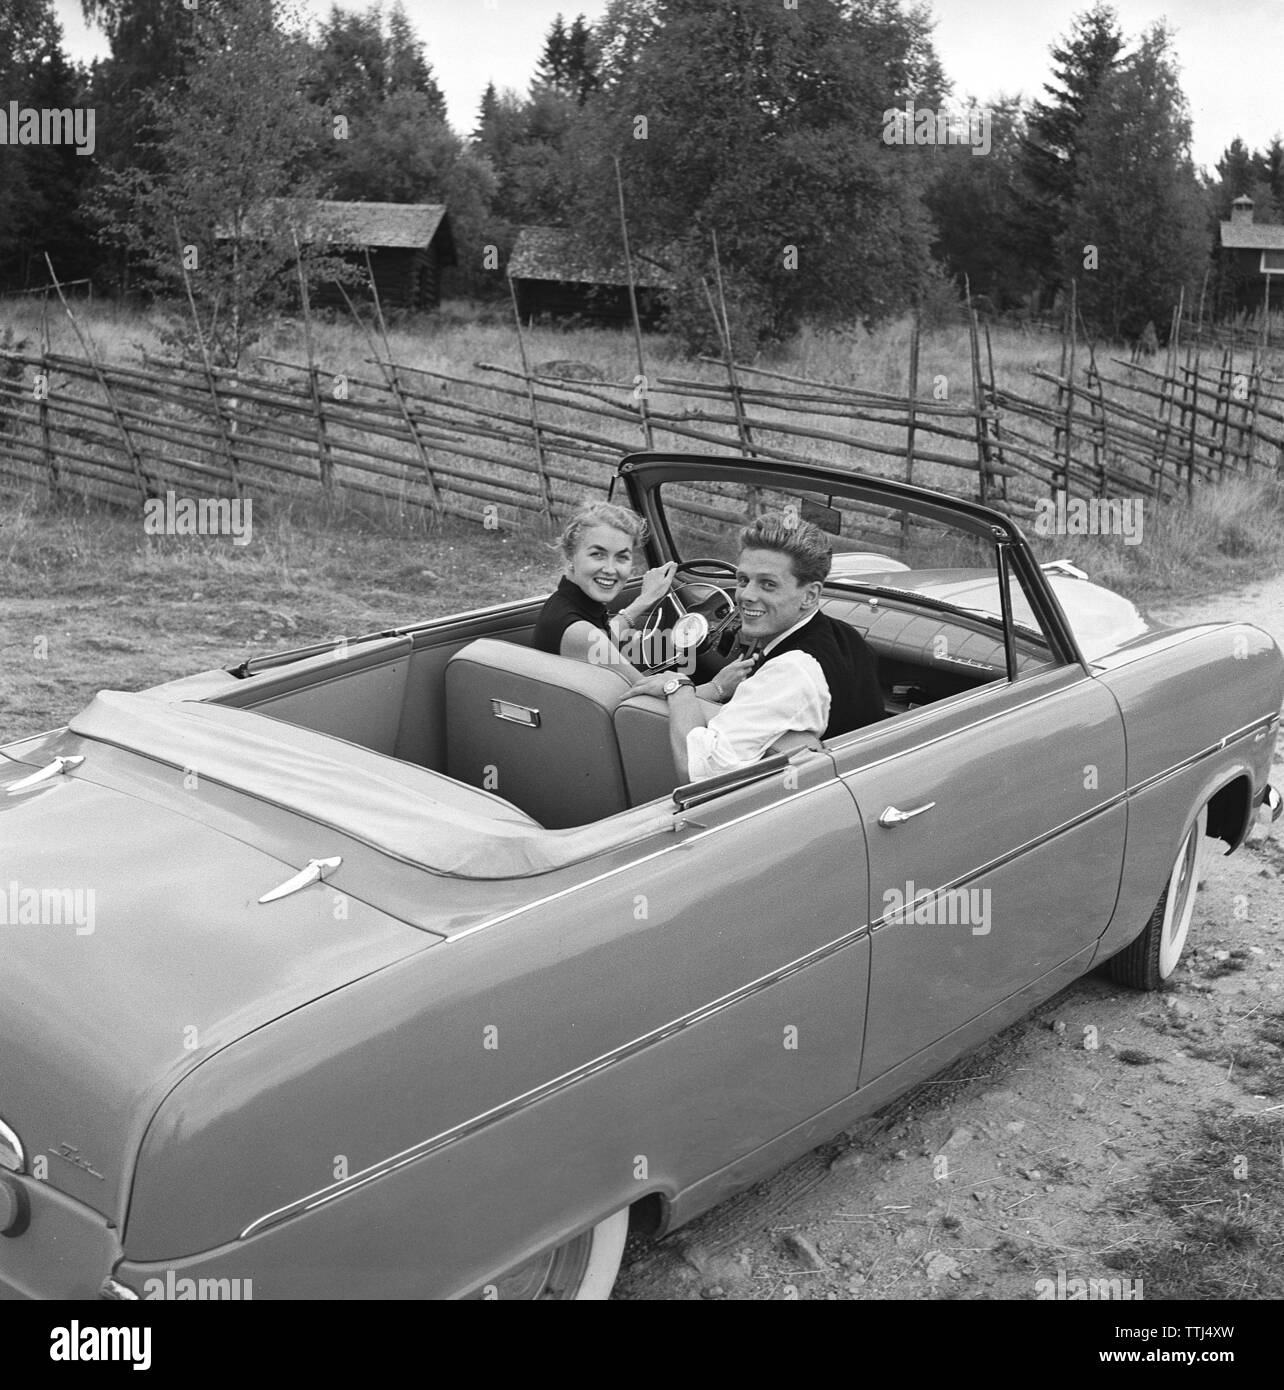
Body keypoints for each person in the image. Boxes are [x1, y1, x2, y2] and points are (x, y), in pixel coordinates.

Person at [628, 512, 886, 780]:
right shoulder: (844, 635)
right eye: (743, 580)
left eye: (768, 584)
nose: (747, 596)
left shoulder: (792, 671)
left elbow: (700, 769)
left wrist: (678, 687)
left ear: (810, 595)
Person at [532, 500, 752, 702]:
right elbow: (650, 700)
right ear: (571, 556)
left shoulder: (565, 604)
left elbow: (603, 639)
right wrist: (718, 686)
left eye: (622, 557)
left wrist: (646, 599)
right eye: (597, 554)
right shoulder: (577, 631)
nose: (610, 569)